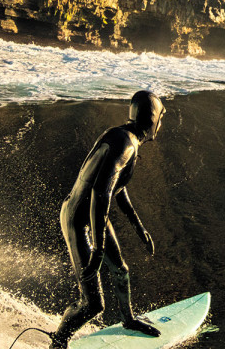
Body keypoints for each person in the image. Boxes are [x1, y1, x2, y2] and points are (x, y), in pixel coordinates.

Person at [49, 90, 166, 348]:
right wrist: (99, 249)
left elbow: (116, 188)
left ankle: (128, 320)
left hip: (93, 215)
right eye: (160, 117)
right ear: (152, 118)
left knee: (121, 270)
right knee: (93, 305)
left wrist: (139, 227)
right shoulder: (125, 144)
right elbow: (99, 192)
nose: (161, 124)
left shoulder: (126, 138)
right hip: (77, 218)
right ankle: (58, 342)